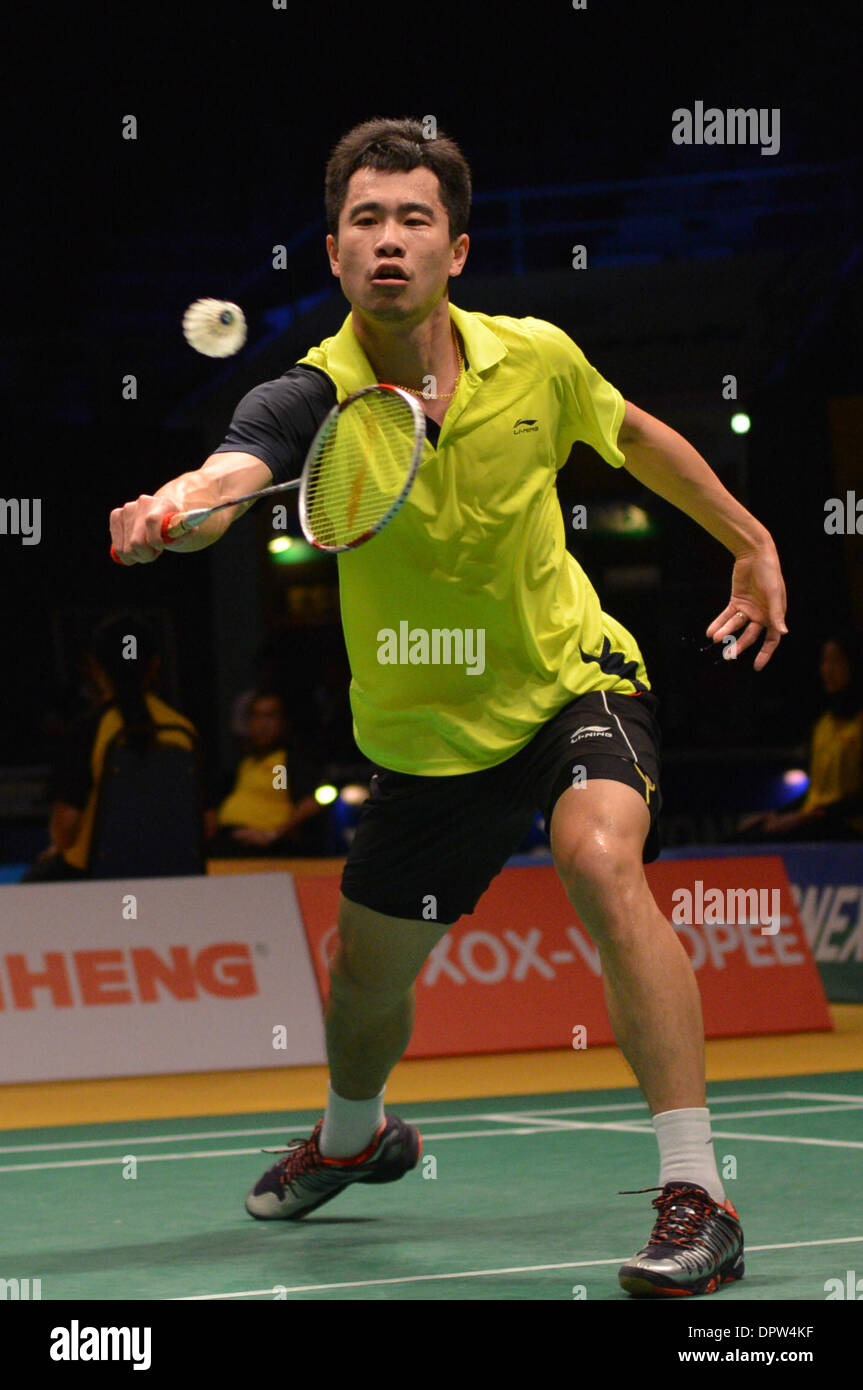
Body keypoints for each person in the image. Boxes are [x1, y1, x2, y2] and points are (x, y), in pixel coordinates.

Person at [109, 117, 788, 1298]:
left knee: (596, 856)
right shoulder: (309, 391)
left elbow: (627, 435)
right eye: (364, 220)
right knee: (362, 984)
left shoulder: (535, 356)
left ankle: (696, 1193)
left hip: (571, 679)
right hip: (427, 744)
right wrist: (176, 505)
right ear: (333, 252)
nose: (388, 241)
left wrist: (750, 537)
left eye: (412, 219)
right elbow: (232, 475)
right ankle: (351, 1135)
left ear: (456, 249)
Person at [21, 614, 199, 881]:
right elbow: (205, 825)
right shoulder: (184, 731)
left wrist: (58, 848)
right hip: (176, 873)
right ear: (155, 665)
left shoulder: (86, 730)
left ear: (94, 667)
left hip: (93, 876)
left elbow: (65, 829)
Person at [737, 631, 863, 841]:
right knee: (746, 834)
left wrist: (806, 818)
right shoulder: (823, 725)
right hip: (815, 820)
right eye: (824, 662)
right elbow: (816, 793)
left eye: (837, 662)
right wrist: (776, 815)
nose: (828, 670)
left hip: (847, 828)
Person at [205, 690, 325, 855]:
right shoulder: (245, 761)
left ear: (283, 722)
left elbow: (312, 802)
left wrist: (272, 835)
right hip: (226, 840)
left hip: (262, 848)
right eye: (257, 716)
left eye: (270, 716)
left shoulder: (283, 763)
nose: (263, 724)